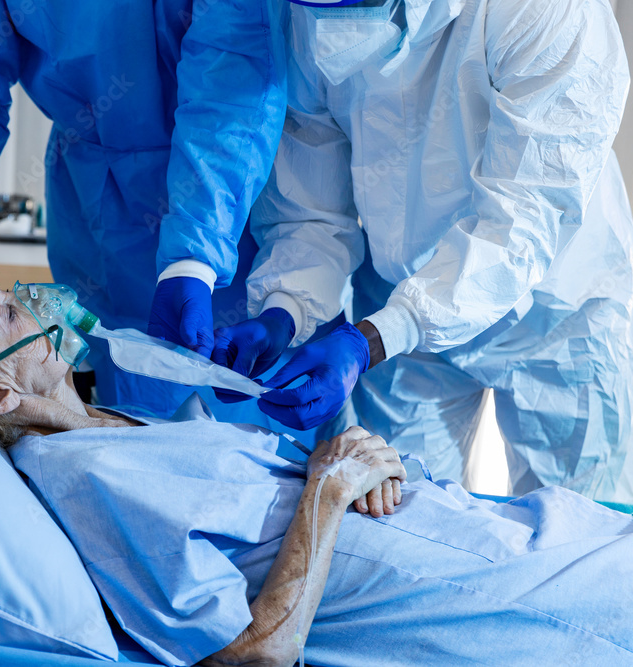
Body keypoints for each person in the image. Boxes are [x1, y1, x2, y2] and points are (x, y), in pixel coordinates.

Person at [0, 275, 633, 666]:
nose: (37, 303)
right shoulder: (84, 481)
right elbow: (256, 654)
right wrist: (329, 491)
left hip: (489, 533)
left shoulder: (109, 426)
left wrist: (364, 462)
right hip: (489, 593)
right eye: (6, 312)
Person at [211, 0, 633, 503]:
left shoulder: (543, 10)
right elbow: (311, 205)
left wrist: (373, 339)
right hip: (397, 302)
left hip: (556, 317)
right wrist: (286, 306)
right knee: (398, 518)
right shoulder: (304, 16)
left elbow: (521, 224)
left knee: (574, 543)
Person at [0, 0, 291, 419]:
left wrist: (195, 257)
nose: (34, 302)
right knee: (140, 406)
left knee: (266, 397)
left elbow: (231, 92)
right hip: (94, 201)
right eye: (5, 309)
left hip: (233, 194)